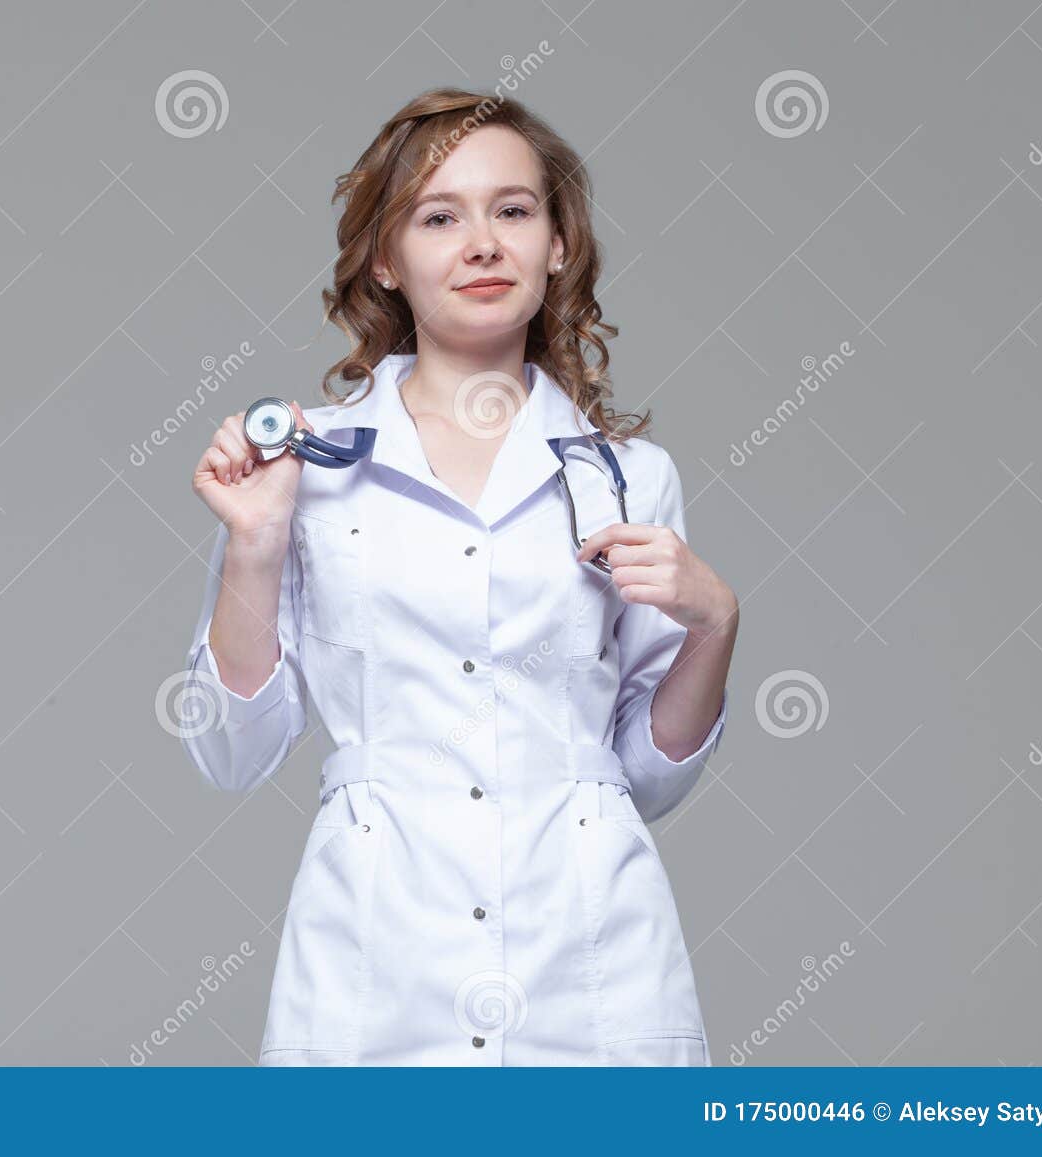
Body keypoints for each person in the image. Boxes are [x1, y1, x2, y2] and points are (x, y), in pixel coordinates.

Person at [181, 87, 739, 1065]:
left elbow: (646, 779)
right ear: (385, 260)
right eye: (439, 217)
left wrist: (715, 623)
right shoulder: (305, 468)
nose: (482, 243)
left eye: (512, 210)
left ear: (557, 244)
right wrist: (255, 547)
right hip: (376, 969)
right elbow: (230, 752)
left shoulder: (628, 477)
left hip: (589, 968)